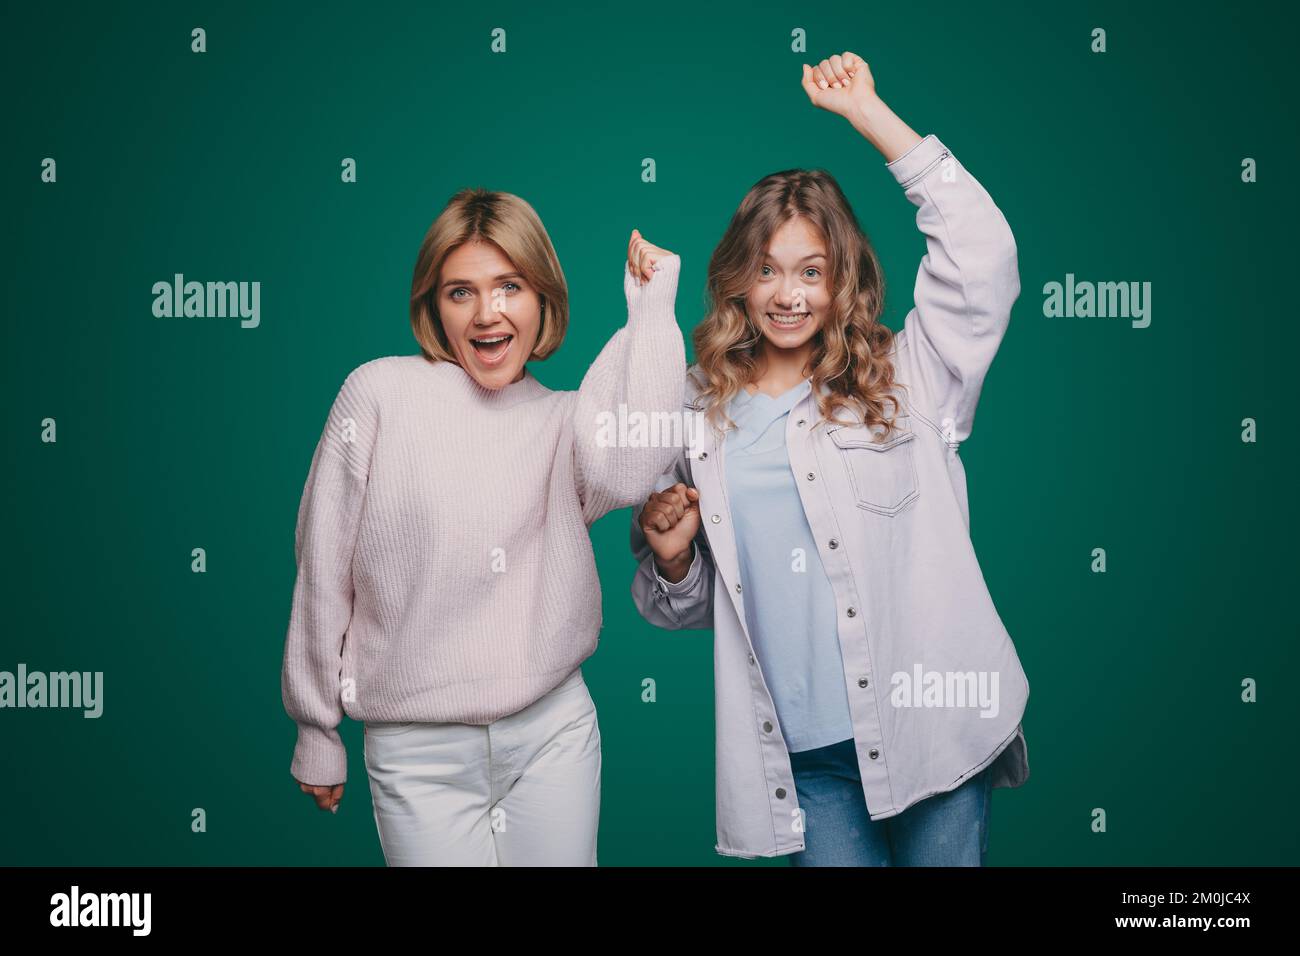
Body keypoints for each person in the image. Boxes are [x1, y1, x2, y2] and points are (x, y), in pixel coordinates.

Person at [630, 51, 1029, 866]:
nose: (788, 294)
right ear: (738, 280)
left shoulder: (909, 380)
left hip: (934, 734)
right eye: (768, 271)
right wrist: (672, 563)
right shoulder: (696, 412)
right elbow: (696, 608)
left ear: (840, 277)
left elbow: (983, 261)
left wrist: (870, 116)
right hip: (801, 762)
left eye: (811, 271)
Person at [282, 187, 685, 865]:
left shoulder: (566, 422)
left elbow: (632, 465)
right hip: (417, 750)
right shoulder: (378, 394)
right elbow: (324, 566)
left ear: (543, 301)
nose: (488, 313)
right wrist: (317, 729)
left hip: (553, 732)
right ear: (433, 307)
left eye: (509, 286)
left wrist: (651, 308)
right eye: (460, 292)